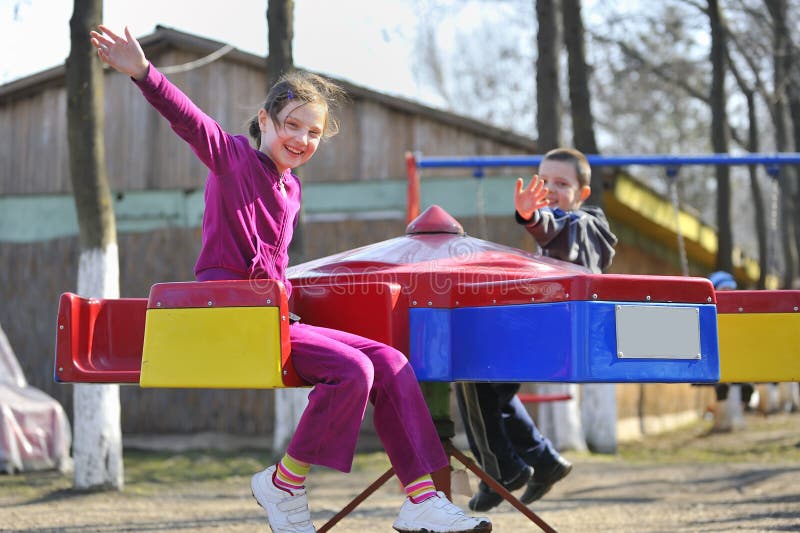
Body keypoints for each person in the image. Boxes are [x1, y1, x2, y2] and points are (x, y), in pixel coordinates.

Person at [90, 25, 491, 533]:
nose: (301, 139)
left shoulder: (293, 188)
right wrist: (145, 74)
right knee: (354, 371)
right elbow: (190, 122)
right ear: (264, 121)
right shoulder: (233, 159)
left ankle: (420, 498)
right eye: (291, 125)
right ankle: (284, 483)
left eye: (313, 132)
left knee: (390, 361)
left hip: (274, 316)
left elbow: (275, 265)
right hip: (233, 315)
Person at [456, 147, 618, 512]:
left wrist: (530, 214)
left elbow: (555, 228)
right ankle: (541, 461)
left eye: (562, 183)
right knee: (485, 381)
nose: (551, 189)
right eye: (544, 182)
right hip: (548, 327)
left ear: (583, 193)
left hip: (567, 333)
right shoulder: (560, 232)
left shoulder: (586, 226)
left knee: (471, 367)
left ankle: (503, 470)